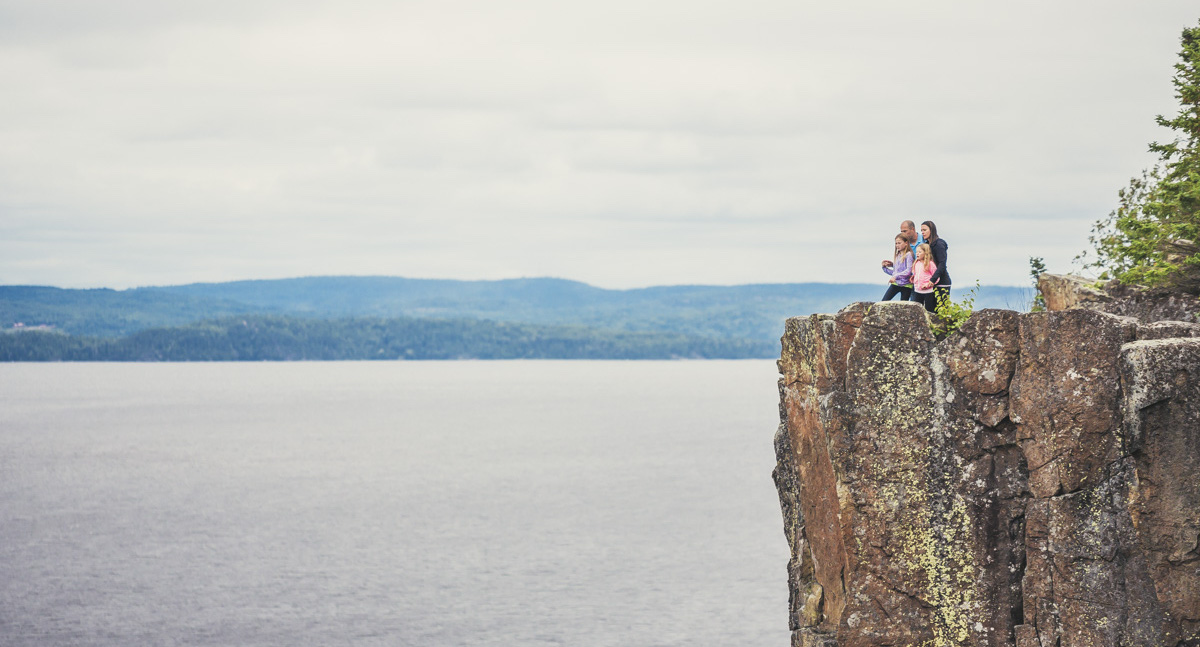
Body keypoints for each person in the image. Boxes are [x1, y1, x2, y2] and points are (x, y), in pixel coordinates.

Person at [921, 220, 951, 308]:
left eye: (924, 230)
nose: (922, 232)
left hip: (941, 282)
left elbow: (942, 264)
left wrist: (933, 279)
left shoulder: (939, 244)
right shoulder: (926, 245)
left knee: (942, 311)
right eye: (921, 230)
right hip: (930, 283)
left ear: (931, 230)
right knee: (930, 309)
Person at [880, 234, 914, 301]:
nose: (897, 245)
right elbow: (894, 272)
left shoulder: (909, 255)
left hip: (906, 286)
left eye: (899, 243)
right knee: (883, 301)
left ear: (906, 243)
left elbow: (908, 271)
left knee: (903, 307)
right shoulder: (897, 255)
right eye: (896, 243)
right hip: (896, 284)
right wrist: (884, 268)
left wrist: (895, 277)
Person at [910, 243, 938, 312]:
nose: (917, 254)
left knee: (929, 310)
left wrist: (928, 284)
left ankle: (930, 322)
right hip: (917, 291)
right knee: (917, 311)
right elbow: (917, 275)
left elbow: (936, 277)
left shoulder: (930, 264)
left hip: (928, 292)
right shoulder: (916, 263)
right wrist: (913, 278)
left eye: (920, 252)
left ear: (925, 253)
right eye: (916, 252)